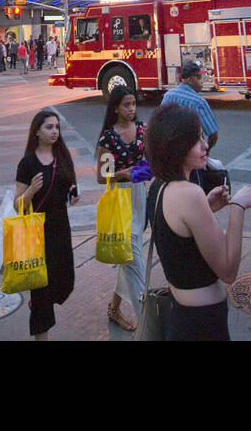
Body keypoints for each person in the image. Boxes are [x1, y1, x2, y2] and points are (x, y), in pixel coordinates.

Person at [144, 102, 251, 340]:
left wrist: (205, 207)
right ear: (177, 147)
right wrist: (238, 207)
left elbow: (178, 237)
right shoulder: (189, 193)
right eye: (197, 140)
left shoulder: (158, 186)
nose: (205, 145)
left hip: (182, 315)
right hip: (202, 322)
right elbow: (228, 271)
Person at [13, 109, 79, 339]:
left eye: (57, 127)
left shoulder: (62, 157)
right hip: (36, 234)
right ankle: (40, 312)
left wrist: (72, 192)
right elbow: (18, 205)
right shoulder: (27, 164)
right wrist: (31, 190)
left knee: (64, 281)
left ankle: (41, 301)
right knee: (41, 293)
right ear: (37, 132)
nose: (54, 132)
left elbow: (69, 182)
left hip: (60, 229)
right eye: (49, 127)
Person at [95, 86, 147, 332]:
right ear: (116, 107)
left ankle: (115, 308)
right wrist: (121, 174)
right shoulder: (109, 137)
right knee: (133, 260)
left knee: (128, 255)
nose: (131, 109)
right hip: (119, 199)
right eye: (126, 105)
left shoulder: (142, 129)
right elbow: (101, 176)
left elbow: (150, 163)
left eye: (134, 104)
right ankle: (148, 324)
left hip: (139, 196)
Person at [165, 60, 220, 152]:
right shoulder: (198, 102)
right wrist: (207, 151)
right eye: (199, 78)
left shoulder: (168, 95)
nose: (201, 81)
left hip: (169, 151)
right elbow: (213, 134)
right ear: (190, 80)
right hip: (191, 152)